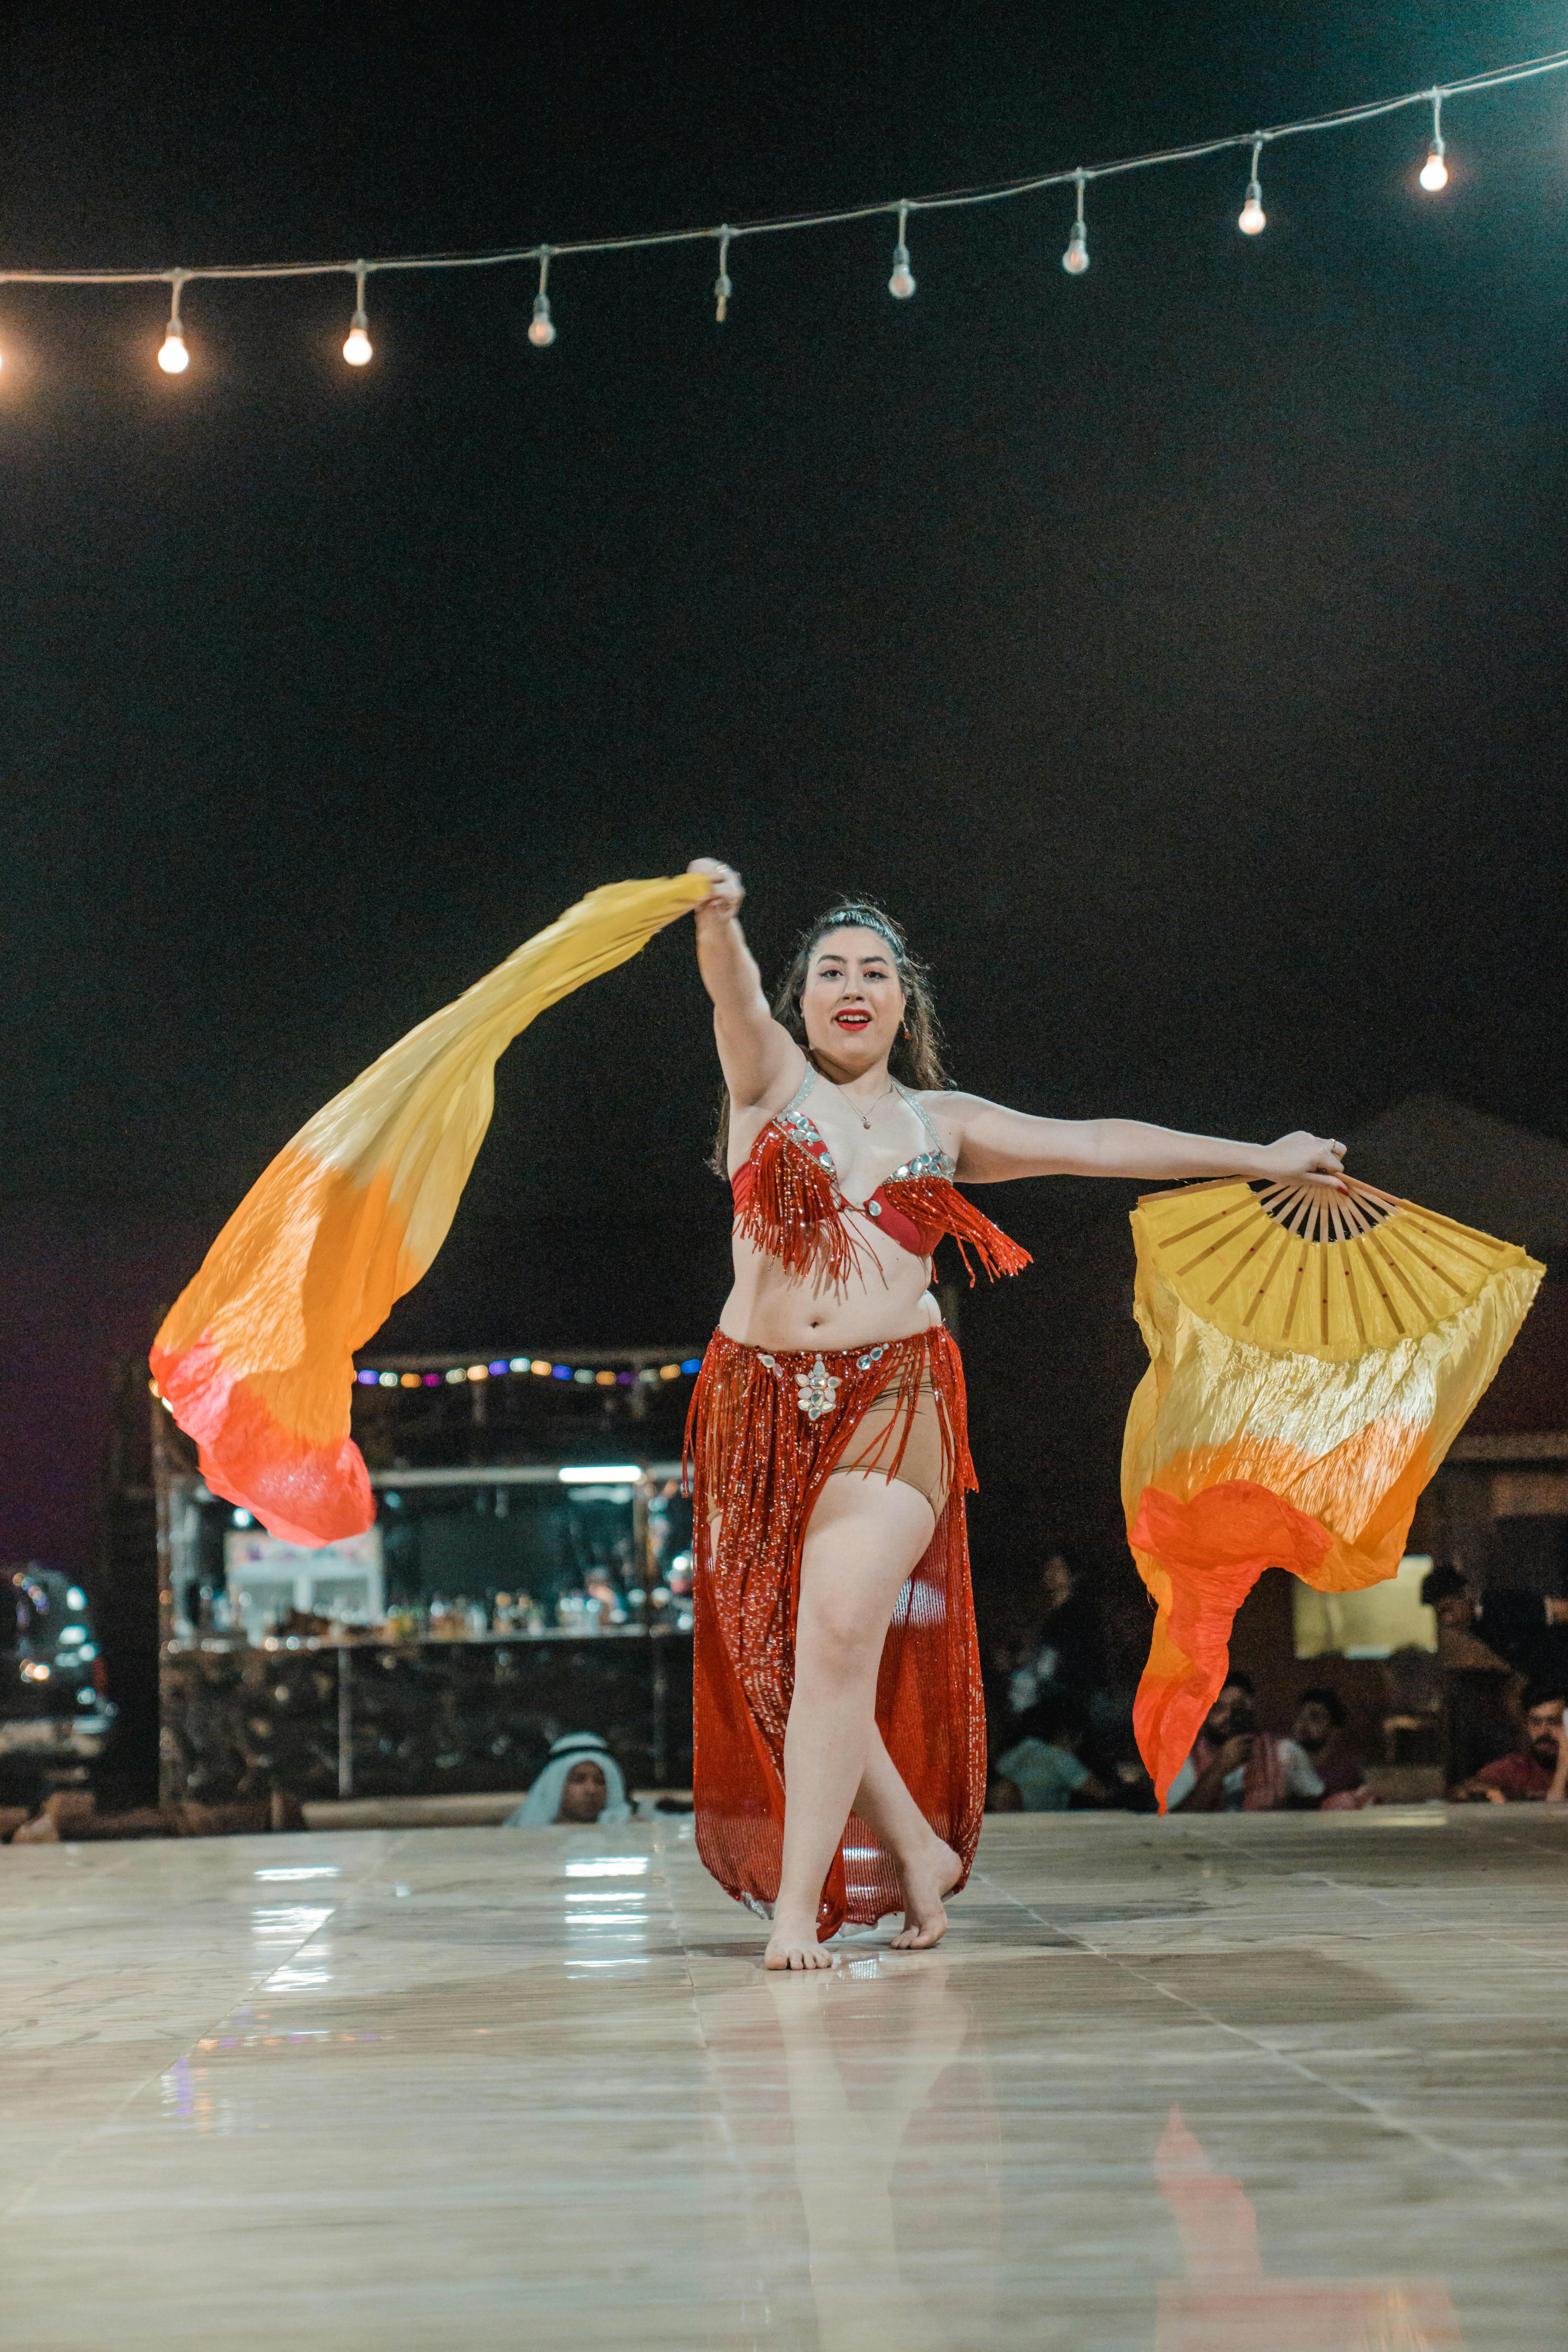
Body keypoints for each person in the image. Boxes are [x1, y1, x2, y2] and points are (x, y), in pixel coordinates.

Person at [682, 859, 1347, 1966]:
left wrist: (1258, 1158)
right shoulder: (764, 1088)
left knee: (840, 1627)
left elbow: (1097, 1142)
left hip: (894, 1396)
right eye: (832, 971)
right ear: (800, 1000)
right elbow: (729, 993)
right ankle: (919, 1849)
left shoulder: (942, 1123)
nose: (853, 986)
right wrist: (719, 920)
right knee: (799, 1659)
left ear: (906, 1003)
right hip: (752, 1398)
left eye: (877, 973)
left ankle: (800, 1910)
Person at [1166, 1672, 1325, 1813]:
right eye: (1218, 1709)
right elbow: (1177, 1821)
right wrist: (1220, 1767)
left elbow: (1318, 1804)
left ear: (1251, 1708)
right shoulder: (1184, 1759)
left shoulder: (1284, 1752)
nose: (1228, 1716)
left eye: (1238, 1708)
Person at [1451, 1684, 1568, 1804]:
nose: (1543, 1732)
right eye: (1536, 1723)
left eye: (1554, 1722)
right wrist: (1485, 1792)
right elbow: (1462, 1791)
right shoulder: (1516, 1768)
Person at [995, 1694, 1111, 1812]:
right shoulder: (1062, 1759)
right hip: (1048, 1825)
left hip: (1011, 1823)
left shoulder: (1023, 1748)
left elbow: (1000, 1771)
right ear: (1068, 1733)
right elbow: (1101, 1793)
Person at [505, 1731, 632, 1827]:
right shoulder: (526, 1836)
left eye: (600, 1782)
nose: (591, 1790)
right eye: (579, 1780)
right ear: (555, 1784)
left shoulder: (633, 1833)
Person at [1290, 1686, 1367, 1801]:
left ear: (1335, 1730)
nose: (1304, 1724)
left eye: (1315, 1718)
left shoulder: (1347, 1771)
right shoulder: (1287, 1765)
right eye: (1301, 1717)